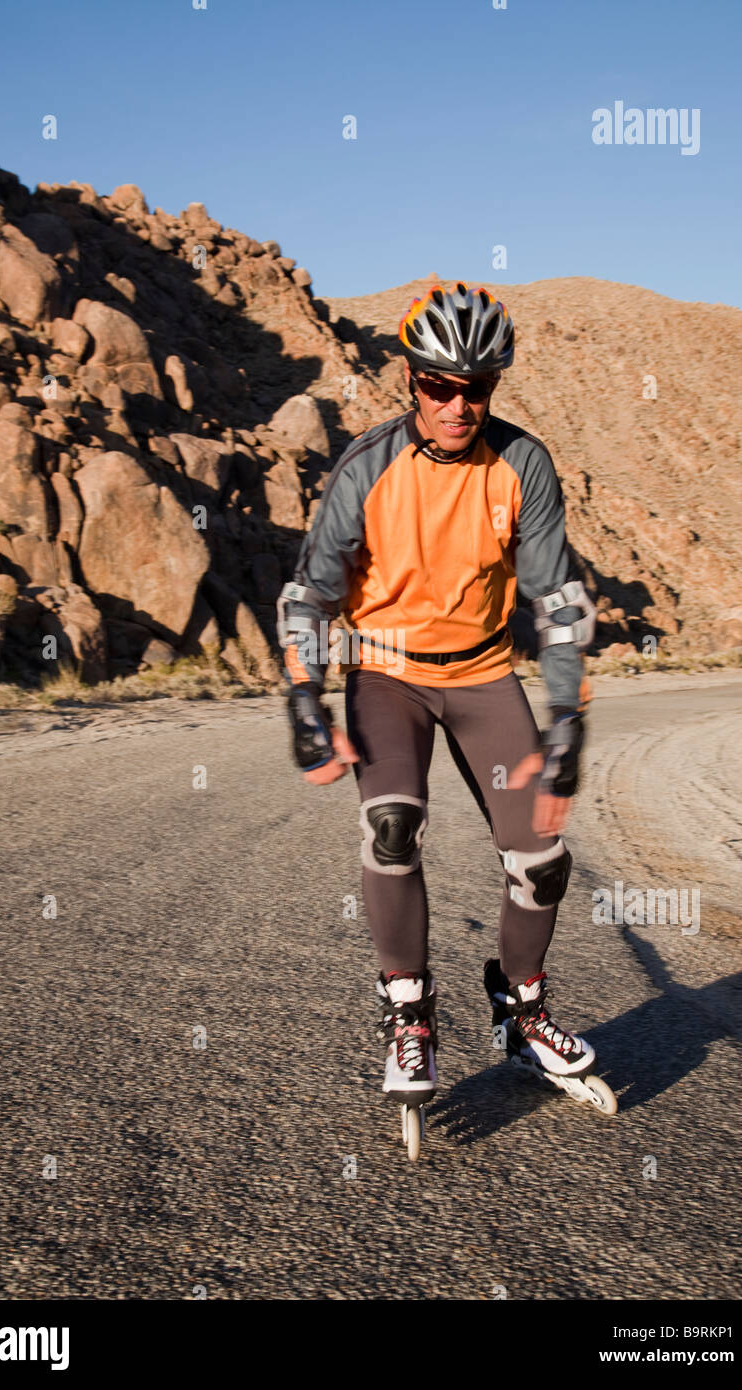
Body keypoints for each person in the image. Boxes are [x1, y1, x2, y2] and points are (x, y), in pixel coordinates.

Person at [276, 281, 597, 1109]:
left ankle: (522, 1009)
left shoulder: (521, 463)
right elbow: (311, 591)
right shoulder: (368, 465)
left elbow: (556, 599)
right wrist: (303, 701)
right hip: (385, 671)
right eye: (439, 386)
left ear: (495, 385)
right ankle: (410, 1015)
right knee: (392, 825)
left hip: (483, 672)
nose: (457, 405)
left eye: (477, 388)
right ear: (411, 379)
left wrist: (566, 719)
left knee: (543, 861)